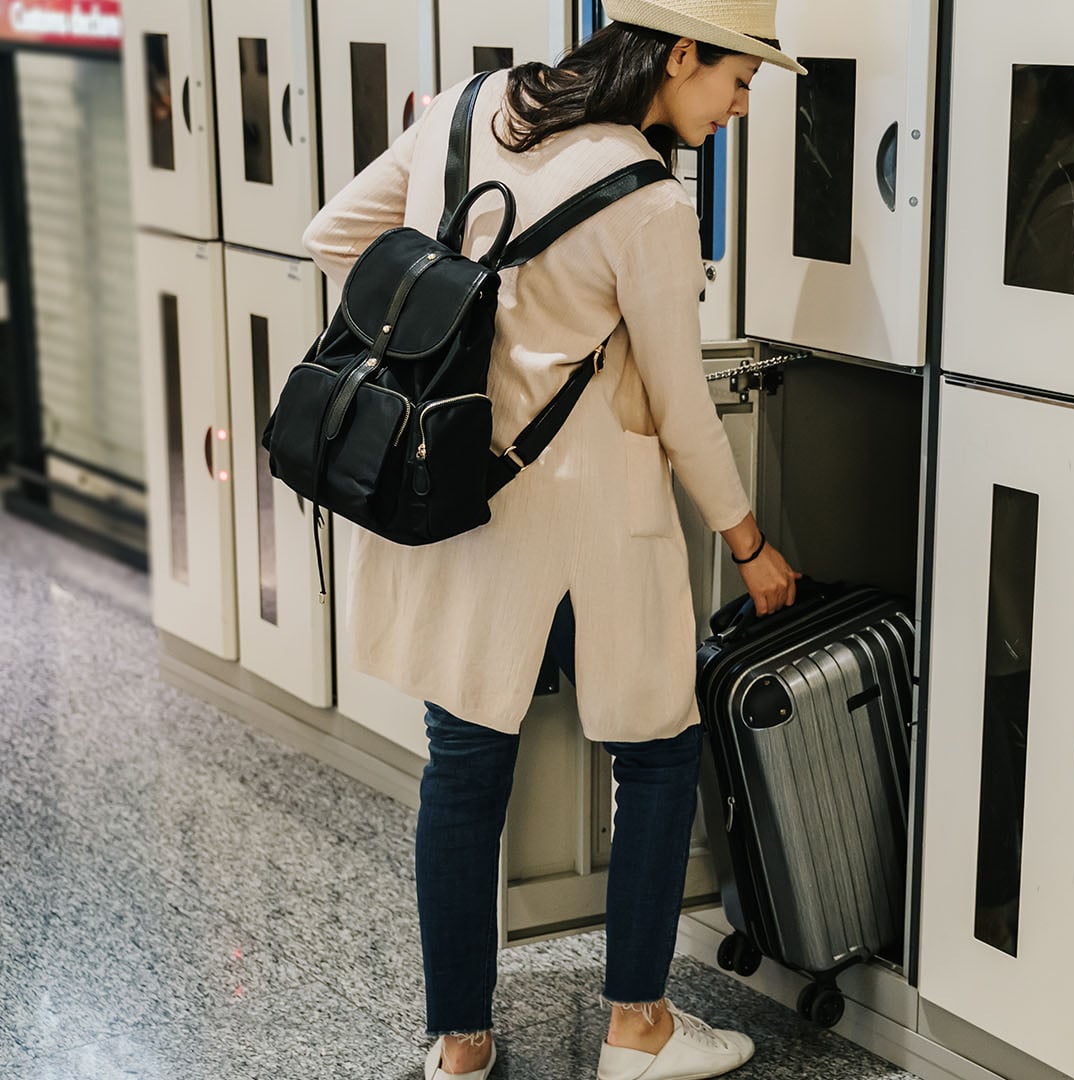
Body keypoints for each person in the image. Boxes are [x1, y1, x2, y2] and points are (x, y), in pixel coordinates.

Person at [301, 4, 807, 1078]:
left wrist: (458, 328)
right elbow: (681, 403)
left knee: (465, 759)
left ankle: (462, 1049)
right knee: (658, 751)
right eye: (737, 79)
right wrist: (750, 541)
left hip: (457, 492)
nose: (740, 106)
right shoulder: (651, 202)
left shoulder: (468, 107)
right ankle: (636, 1029)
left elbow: (337, 236)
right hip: (593, 517)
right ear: (680, 56)